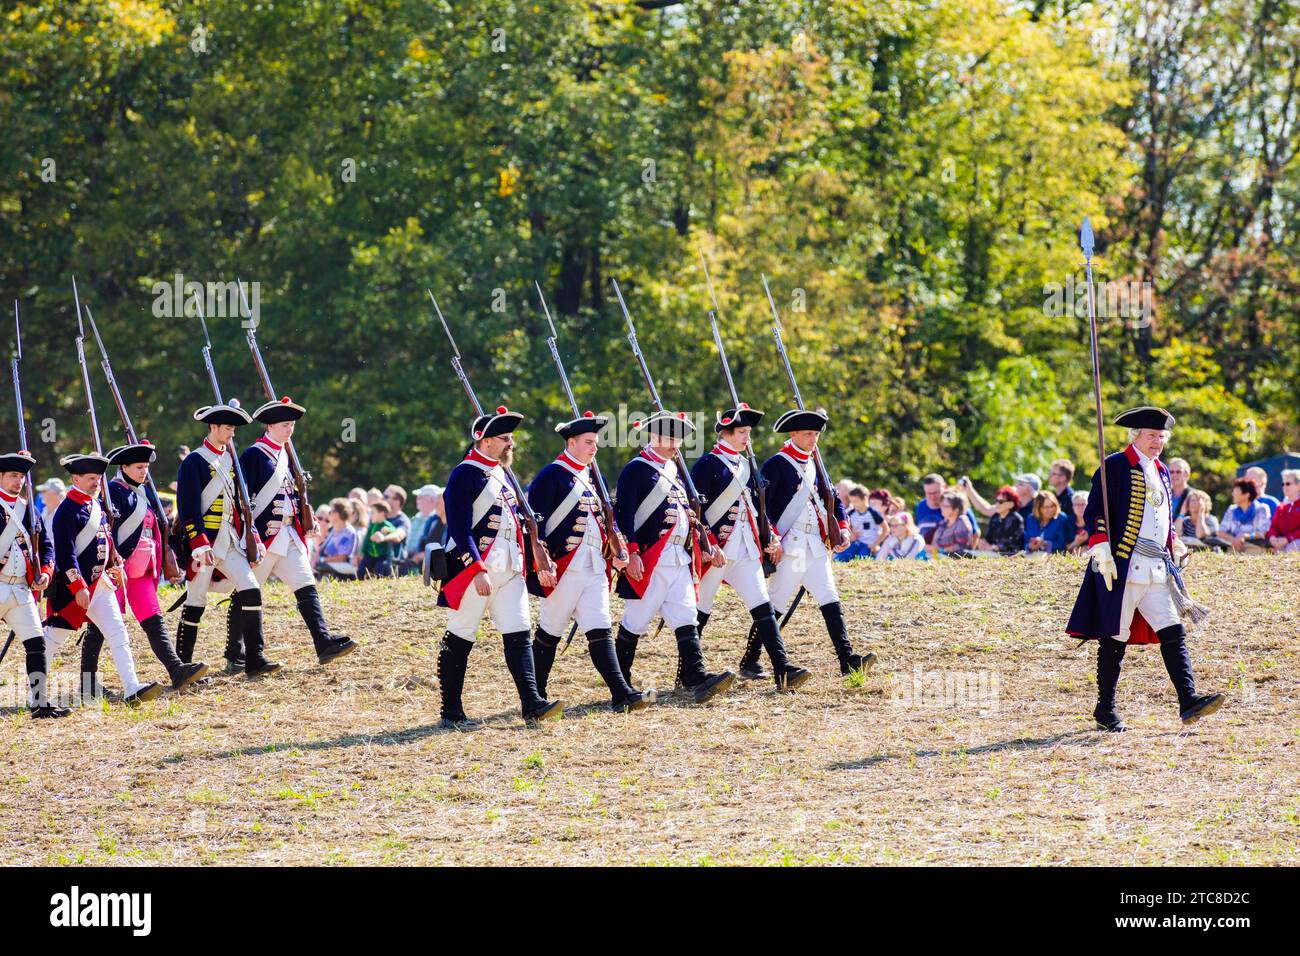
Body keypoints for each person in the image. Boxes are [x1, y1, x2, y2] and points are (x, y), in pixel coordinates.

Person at [1066, 406, 1223, 731]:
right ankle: (1105, 710)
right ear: (1135, 436)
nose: (1157, 442)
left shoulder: (1162, 470)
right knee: (1114, 638)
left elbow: (1163, 518)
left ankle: (1188, 700)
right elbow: (1096, 510)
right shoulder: (1115, 466)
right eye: (1152, 436)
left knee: (1173, 631)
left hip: (1155, 568)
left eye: (1161, 437)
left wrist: (1174, 543)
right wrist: (1100, 547)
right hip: (1121, 567)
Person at [435, 405, 562, 727]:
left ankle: (532, 702)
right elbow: (460, 529)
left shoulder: (503, 474)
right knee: (460, 636)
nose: (511, 444)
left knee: (519, 634)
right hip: (475, 569)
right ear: (485, 440)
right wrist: (476, 569)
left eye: (510, 439)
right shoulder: (465, 473)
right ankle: (451, 712)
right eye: (504, 438)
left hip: (510, 568)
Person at [527, 411, 652, 712]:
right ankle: (534, 697)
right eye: (587, 442)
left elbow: (606, 518)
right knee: (550, 631)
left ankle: (621, 693)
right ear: (571, 442)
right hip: (564, 565)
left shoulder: (594, 475)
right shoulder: (552, 475)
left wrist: (617, 547)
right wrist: (541, 563)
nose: (594, 448)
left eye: (595, 442)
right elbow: (534, 524)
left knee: (600, 627)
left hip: (595, 564)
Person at [613, 410, 735, 703]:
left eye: (677, 439)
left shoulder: (673, 469)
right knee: (636, 622)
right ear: (653, 436)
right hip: (651, 557)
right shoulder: (636, 469)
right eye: (669, 438)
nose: (674, 445)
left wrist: (704, 544)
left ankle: (695, 676)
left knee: (686, 616)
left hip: (678, 557)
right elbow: (623, 515)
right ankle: (619, 682)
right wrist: (631, 552)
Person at [691, 404, 810, 689]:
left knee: (763, 607)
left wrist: (770, 536)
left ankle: (782, 669)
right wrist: (707, 544)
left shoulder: (746, 465)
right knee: (701, 610)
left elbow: (758, 507)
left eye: (749, 432)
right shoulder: (708, 464)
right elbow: (697, 509)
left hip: (745, 547)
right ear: (726, 433)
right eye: (742, 432)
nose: (748, 438)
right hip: (717, 549)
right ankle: (690, 672)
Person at [235, 397, 356, 664]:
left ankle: (322, 641)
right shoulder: (254, 455)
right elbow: (241, 497)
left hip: (290, 534)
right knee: (247, 592)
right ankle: (236, 652)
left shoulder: (287, 454)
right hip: (266, 537)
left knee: (306, 586)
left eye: (291, 425)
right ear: (269, 426)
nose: (290, 430)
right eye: (284, 425)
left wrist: (305, 513)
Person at [762, 408, 877, 676]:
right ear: (793, 434)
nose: (813, 439)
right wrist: (772, 539)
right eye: (807, 434)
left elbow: (833, 499)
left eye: (816, 434)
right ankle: (751, 660)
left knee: (830, 598)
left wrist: (844, 529)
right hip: (791, 544)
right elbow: (762, 506)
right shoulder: (777, 464)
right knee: (775, 605)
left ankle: (847, 659)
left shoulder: (816, 463)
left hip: (815, 544)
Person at [86, 441, 208, 693]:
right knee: (101, 624)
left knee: (154, 620)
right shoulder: (112, 491)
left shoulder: (145, 492)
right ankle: (87, 683)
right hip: (118, 568)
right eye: (139, 467)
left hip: (142, 569)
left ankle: (176, 669)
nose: (144, 472)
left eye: (146, 467)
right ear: (124, 467)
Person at [43, 453, 164, 706]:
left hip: (100, 586)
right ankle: (36, 692)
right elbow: (66, 554)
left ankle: (131, 687)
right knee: (53, 641)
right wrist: (78, 587)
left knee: (118, 633)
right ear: (75, 478)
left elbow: (106, 540)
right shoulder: (67, 510)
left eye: (98, 478)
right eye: (90, 478)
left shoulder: (95, 504)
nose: (96, 483)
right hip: (74, 590)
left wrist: (116, 562)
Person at [173, 403, 281, 678]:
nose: (232, 433)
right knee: (195, 603)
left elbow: (238, 504)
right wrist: (198, 544)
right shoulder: (194, 462)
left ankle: (254, 658)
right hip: (205, 543)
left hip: (229, 540)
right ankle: (182, 666)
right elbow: (188, 508)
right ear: (213, 427)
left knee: (251, 589)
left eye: (233, 428)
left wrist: (250, 532)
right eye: (227, 428)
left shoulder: (231, 460)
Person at [0, 450, 64, 717]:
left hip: (21, 588)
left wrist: (46, 572)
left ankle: (39, 702)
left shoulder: (27, 508)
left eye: (21, 476)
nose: (18, 481)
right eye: (13, 475)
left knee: (36, 644)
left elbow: (46, 546)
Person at [1217, 477, 1271, 552]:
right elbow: (1221, 532)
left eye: (1236, 491)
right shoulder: (1231, 510)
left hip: (1255, 547)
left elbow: (1262, 533)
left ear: (1246, 495)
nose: (1233, 494)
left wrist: (1245, 536)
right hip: (1234, 547)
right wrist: (1233, 540)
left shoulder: (1261, 509)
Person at [836, 486, 884, 562]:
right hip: (855, 542)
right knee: (841, 557)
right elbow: (847, 526)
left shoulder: (873, 513)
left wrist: (876, 544)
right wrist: (851, 534)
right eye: (851, 501)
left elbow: (886, 529)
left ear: (865, 499)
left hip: (868, 545)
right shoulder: (851, 513)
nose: (853, 504)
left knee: (861, 560)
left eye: (855, 501)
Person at [315, 498, 359, 579]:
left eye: (330, 512)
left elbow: (342, 558)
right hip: (329, 567)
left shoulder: (348, 532)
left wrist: (322, 559)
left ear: (337, 514)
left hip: (340, 571)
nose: (329, 515)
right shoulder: (335, 529)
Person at [974, 486, 1024, 555]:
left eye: (1000, 502)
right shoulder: (995, 517)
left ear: (1011, 504)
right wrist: (982, 544)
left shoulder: (1016, 520)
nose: (997, 504)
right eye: (996, 501)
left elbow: (1013, 545)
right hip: (992, 555)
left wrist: (993, 547)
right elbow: (988, 539)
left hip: (1008, 557)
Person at [929, 492, 974, 558]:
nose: (942, 508)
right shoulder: (943, 523)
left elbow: (962, 546)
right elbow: (934, 544)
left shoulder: (961, 522)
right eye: (942, 505)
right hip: (939, 558)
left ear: (956, 510)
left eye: (945, 506)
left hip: (956, 560)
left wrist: (941, 550)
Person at [359, 501, 396, 578]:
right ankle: (360, 580)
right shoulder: (372, 526)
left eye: (373, 513)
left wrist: (388, 530)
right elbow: (366, 540)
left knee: (380, 568)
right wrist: (362, 552)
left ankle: (379, 581)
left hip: (382, 555)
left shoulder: (386, 525)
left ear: (381, 513)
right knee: (362, 569)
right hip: (370, 554)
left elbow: (394, 530)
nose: (370, 515)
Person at [1266, 469, 1300, 552]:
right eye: (1283, 484)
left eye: (1288, 484)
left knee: (1291, 548)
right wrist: (1272, 537)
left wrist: (1288, 539)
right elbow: (1273, 527)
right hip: (1282, 544)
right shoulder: (1281, 506)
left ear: (1299, 485)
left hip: (1294, 544)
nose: (1284, 487)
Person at [914, 474, 946, 543]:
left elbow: (974, 533)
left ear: (944, 487)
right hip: (926, 551)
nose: (932, 497)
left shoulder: (955, 504)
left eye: (936, 493)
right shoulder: (921, 506)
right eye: (928, 493)